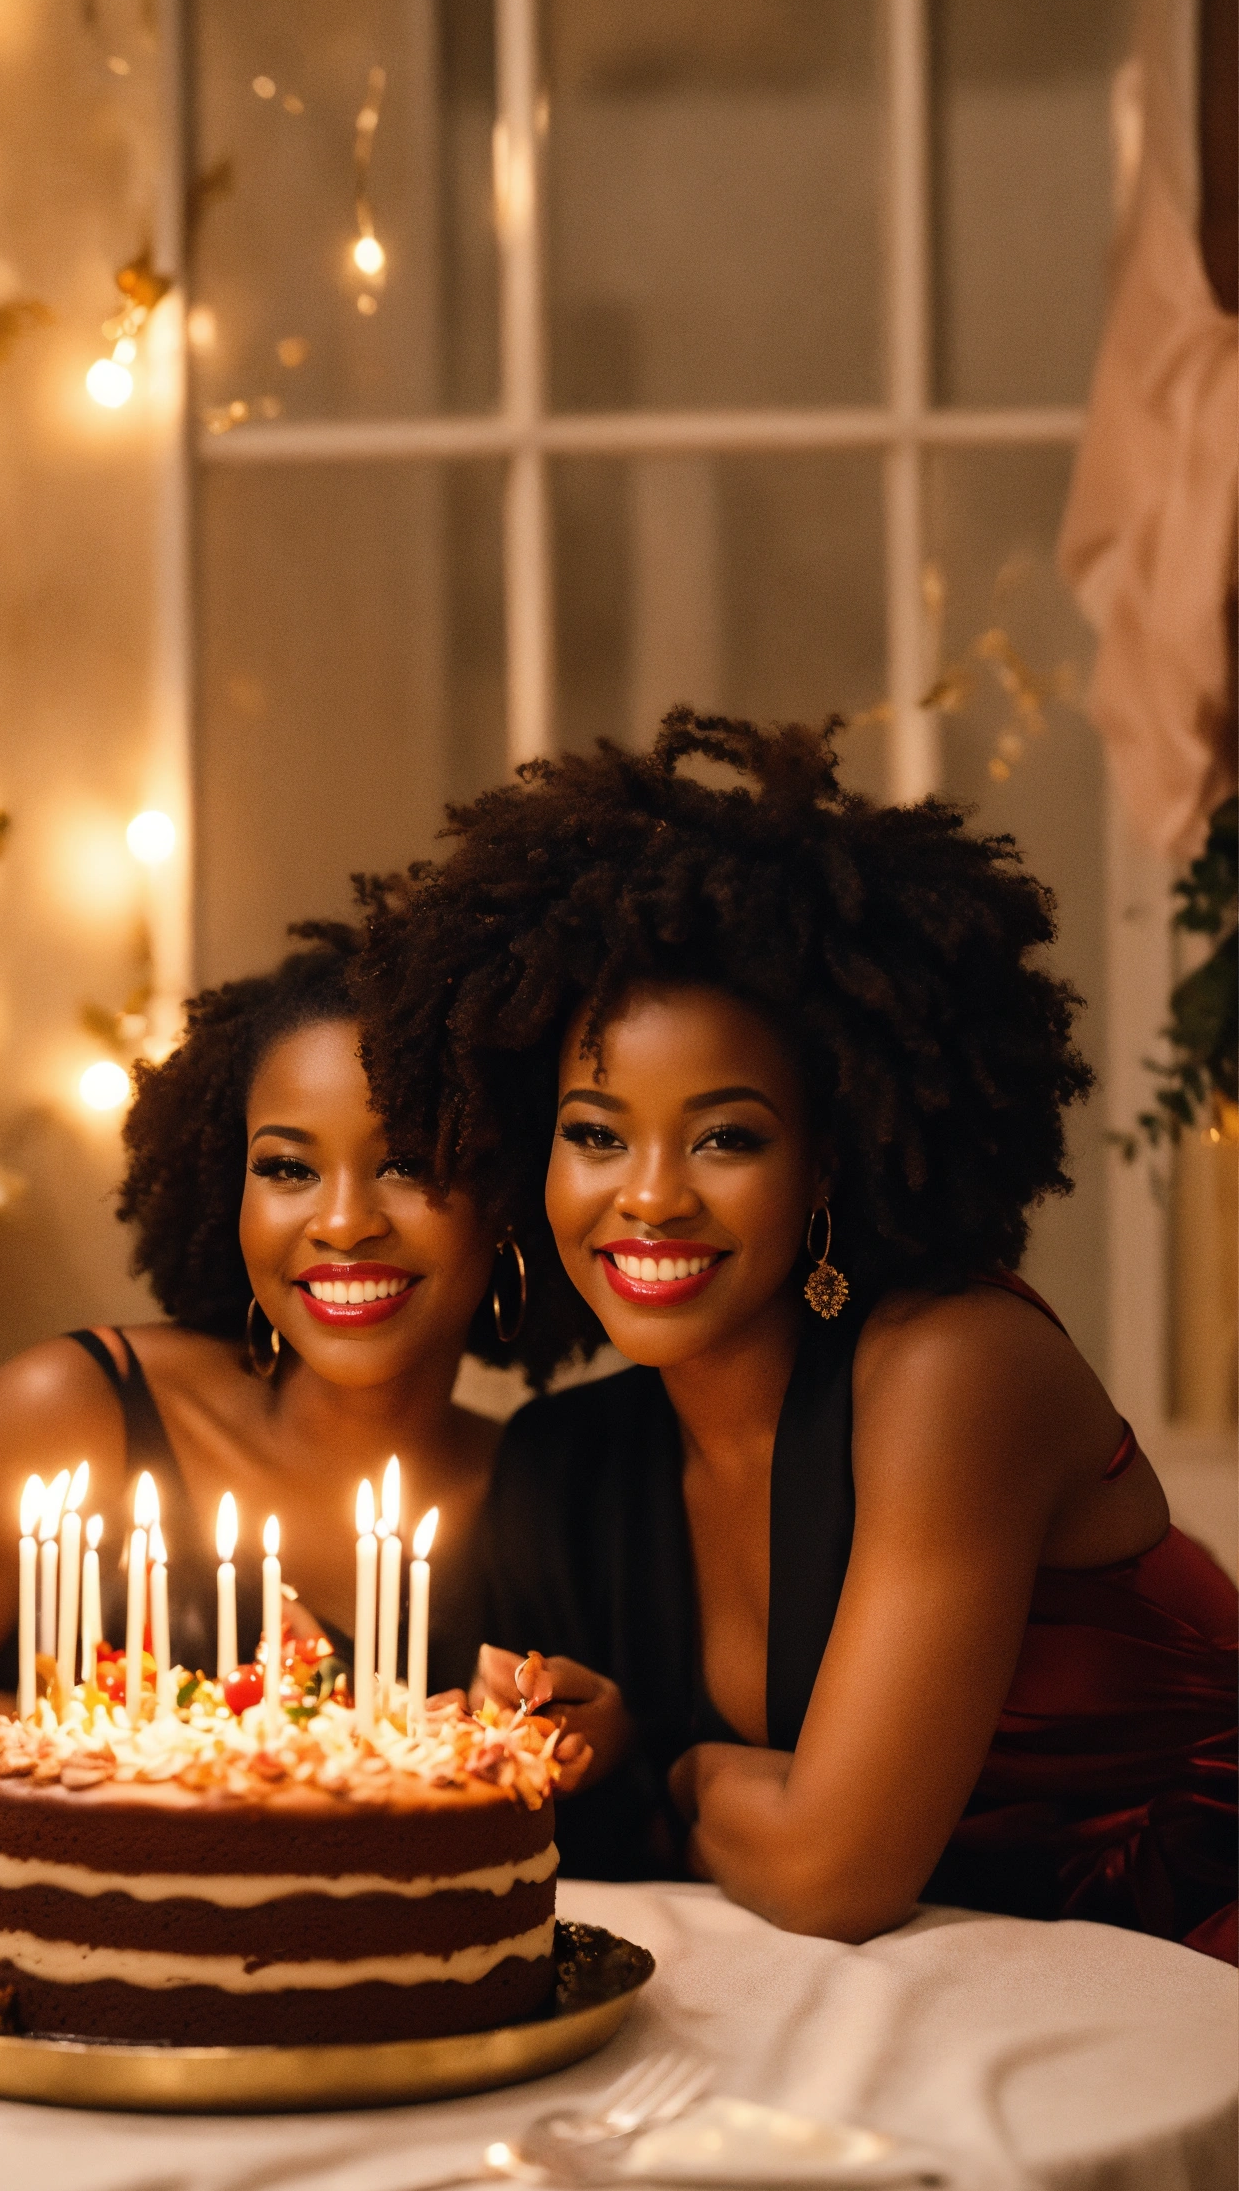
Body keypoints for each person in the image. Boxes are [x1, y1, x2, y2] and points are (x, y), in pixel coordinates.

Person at [356, 710, 1237, 1960]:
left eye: (724, 1136)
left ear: (825, 1160)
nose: (649, 1195)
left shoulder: (953, 1370)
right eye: (595, 1133)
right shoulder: (573, 1465)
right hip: (957, 2009)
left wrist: (670, 1776)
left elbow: (830, 1877)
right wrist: (601, 1747)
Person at [0, 930, 593, 1893]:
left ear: (506, 1199)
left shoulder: (552, 1492)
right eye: (287, 1167)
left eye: (407, 1161)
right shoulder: (72, 1412)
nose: (341, 1221)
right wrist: (152, 1740)